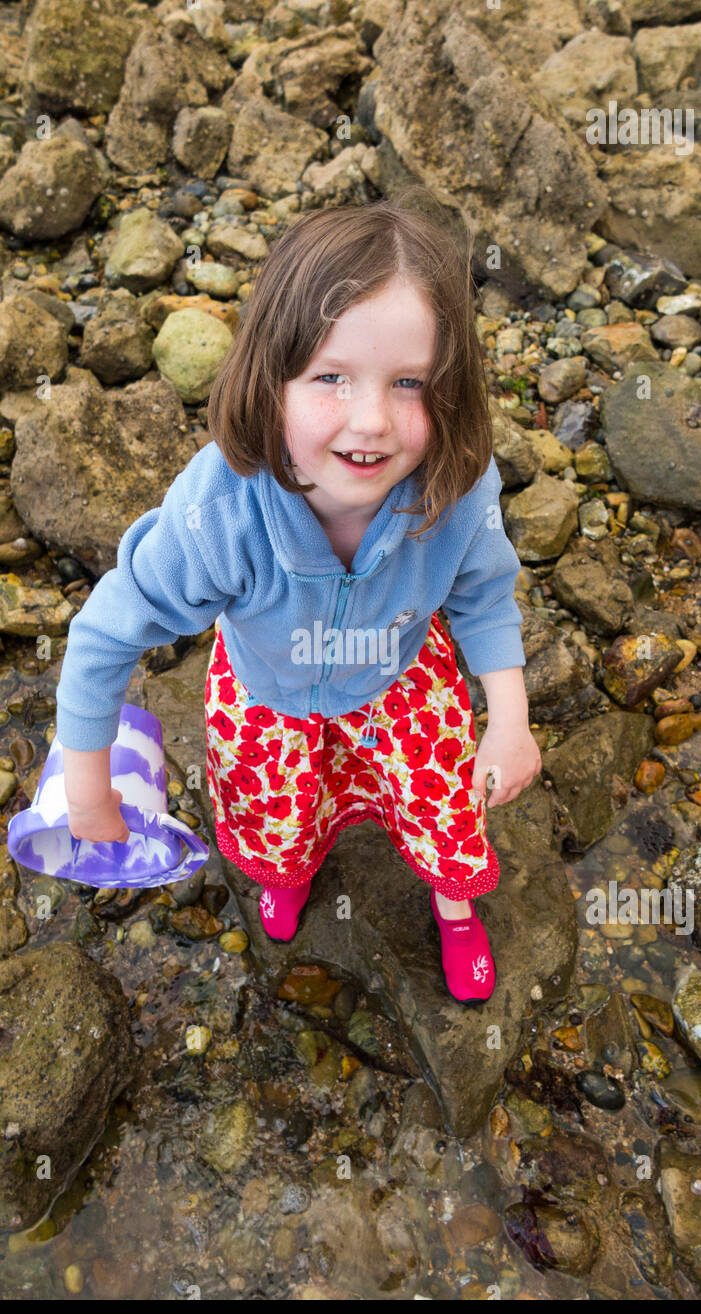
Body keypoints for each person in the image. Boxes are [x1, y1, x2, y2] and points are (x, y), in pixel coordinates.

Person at [56, 195, 542, 1005]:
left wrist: (511, 720)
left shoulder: (455, 490)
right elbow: (106, 633)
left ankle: (453, 905)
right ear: (269, 378)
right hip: (267, 696)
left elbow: (486, 597)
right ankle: (290, 869)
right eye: (330, 377)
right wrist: (87, 787)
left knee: (440, 804)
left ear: (451, 389)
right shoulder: (220, 514)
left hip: (398, 684)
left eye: (410, 382)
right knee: (273, 812)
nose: (372, 420)